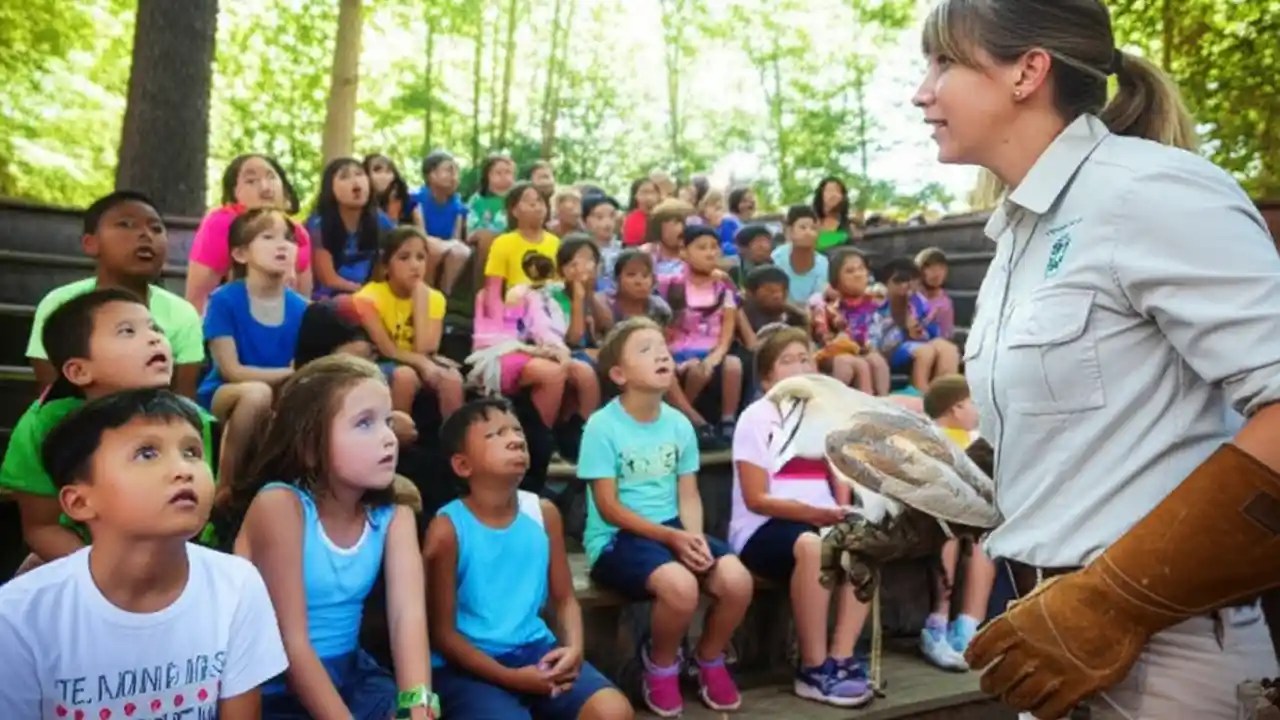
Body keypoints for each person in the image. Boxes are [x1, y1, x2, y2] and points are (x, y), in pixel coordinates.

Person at [914, 1, 1280, 718]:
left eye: (945, 62)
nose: (922, 91)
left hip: (1171, 660)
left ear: (1028, 70)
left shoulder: (1148, 191)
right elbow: (1084, 430)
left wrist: (1116, 600)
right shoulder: (1020, 228)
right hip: (1049, 638)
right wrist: (940, 497)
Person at [0, 389, 287, 719]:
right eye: (147, 453)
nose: (184, 469)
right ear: (79, 502)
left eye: (192, 452)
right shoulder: (20, 616)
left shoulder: (236, 585)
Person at [229, 355, 436, 720]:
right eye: (364, 423)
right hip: (273, 683)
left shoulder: (394, 516)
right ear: (309, 447)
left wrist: (417, 706)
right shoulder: (280, 504)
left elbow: (408, 617)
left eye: (388, 421)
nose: (388, 438)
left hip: (352, 675)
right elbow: (292, 642)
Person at [578, 318, 754, 717]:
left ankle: (707, 657)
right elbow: (608, 507)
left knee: (736, 580)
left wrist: (692, 539)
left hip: (671, 529)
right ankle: (659, 664)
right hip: (616, 537)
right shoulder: (602, 427)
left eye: (662, 346)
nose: (660, 353)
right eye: (644, 349)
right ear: (619, 374)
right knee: (680, 586)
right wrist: (673, 540)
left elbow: (688, 494)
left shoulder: (678, 424)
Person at [425, 399, 634, 719]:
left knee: (613, 711)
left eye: (517, 430)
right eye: (495, 434)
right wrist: (510, 678)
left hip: (536, 650)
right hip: (468, 666)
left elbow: (564, 600)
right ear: (463, 465)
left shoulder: (543, 513)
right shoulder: (447, 529)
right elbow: (443, 634)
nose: (516, 439)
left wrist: (574, 650)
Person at [1, 290, 223, 565]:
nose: (155, 338)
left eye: (156, 329)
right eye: (128, 331)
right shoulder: (44, 424)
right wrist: (103, 575)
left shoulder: (193, 421)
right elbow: (42, 527)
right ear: (79, 371)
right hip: (84, 557)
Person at [730, 326, 874, 708]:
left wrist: (845, 511)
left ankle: (841, 658)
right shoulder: (756, 418)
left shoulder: (820, 416)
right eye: (787, 360)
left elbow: (838, 476)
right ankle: (812, 667)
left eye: (805, 358)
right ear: (767, 378)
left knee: (865, 542)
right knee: (814, 546)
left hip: (819, 519)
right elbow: (757, 499)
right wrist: (817, 515)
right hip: (763, 528)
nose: (799, 366)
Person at [26, 190, 204, 399]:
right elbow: (52, 393)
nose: (146, 234)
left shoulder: (181, 313)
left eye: (156, 228)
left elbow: (184, 397)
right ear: (90, 244)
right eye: (126, 224)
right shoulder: (59, 303)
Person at [198, 208, 308, 489]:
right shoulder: (224, 300)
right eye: (268, 237)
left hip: (283, 394)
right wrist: (289, 373)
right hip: (226, 393)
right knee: (257, 394)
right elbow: (232, 370)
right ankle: (224, 487)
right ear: (240, 254)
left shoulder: (305, 309)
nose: (282, 244)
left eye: (288, 238)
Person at [918, 374, 995, 670]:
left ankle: (968, 628)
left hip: (973, 515)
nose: (978, 410)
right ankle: (937, 623)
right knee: (948, 530)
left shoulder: (981, 440)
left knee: (984, 540)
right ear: (955, 408)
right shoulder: (930, 435)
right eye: (972, 403)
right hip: (935, 516)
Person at [355, 226, 464, 420]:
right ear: (386, 266)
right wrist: (422, 362)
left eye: (420, 258)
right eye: (404, 258)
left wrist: (419, 299)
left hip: (420, 359)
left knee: (452, 378)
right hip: (383, 361)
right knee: (405, 376)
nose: (415, 265)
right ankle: (397, 438)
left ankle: (457, 443)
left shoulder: (434, 298)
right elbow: (387, 350)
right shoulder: (367, 297)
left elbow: (426, 347)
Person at [186, 153, 313, 312]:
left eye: (271, 177)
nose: (265, 187)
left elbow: (303, 301)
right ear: (234, 194)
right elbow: (197, 299)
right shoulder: (221, 224)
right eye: (251, 181)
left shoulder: (299, 233)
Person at [667, 225, 745, 444]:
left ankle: (727, 422)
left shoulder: (723, 286)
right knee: (696, 370)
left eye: (714, 247)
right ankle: (687, 418)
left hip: (711, 350)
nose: (710, 253)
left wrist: (715, 356)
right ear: (684, 252)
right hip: (678, 350)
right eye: (702, 248)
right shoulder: (672, 283)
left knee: (733, 365)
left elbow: (727, 330)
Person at [308, 157, 397, 299]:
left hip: (369, 295)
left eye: (360, 174)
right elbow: (328, 279)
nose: (355, 181)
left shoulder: (380, 220)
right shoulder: (319, 224)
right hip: (329, 298)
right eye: (344, 177)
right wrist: (365, 292)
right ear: (330, 188)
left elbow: (398, 249)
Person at [811, 249, 891, 396]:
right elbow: (825, 339)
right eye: (849, 271)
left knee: (876, 360)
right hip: (837, 353)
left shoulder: (877, 303)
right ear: (836, 280)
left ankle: (883, 402)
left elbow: (886, 334)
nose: (858, 274)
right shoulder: (827, 307)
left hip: (869, 351)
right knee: (853, 363)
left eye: (861, 269)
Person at [876, 257, 958, 392]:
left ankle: (944, 393)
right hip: (893, 350)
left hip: (919, 344)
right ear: (886, 283)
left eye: (908, 280)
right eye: (898, 281)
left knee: (948, 349)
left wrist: (921, 331)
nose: (905, 286)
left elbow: (933, 330)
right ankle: (920, 393)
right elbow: (881, 341)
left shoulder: (918, 301)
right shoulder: (880, 304)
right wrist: (904, 328)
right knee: (925, 351)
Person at [415, 150, 472, 295]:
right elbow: (420, 233)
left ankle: (445, 295)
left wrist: (449, 244)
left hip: (446, 244)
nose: (454, 177)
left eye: (456, 172)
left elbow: (456, 239)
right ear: (432, 175)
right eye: (449, 170)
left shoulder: (457, 205)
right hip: (423, 242)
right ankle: (423, 292)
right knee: (432, 248)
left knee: (461, 252)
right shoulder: (418, 199)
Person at [467, 154, 518, 286]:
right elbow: (472, 230)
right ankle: (481, 292)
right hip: (483, 242)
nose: (504, 176)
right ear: (487, 176)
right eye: (498, 173)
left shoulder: (518, 199)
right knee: (486, 239)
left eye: (508, 172)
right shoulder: (477, 200)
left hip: (513, 239)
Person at [738, 265, 806, 350]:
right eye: (770, 291)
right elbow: (754, 347)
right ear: (750, 293)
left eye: (782, 290)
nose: (777, 295)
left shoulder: (794, 316)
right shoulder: (739, 314)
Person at [771, 206, 830, 304]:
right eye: (803, 227)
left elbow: (818, 300)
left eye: (813, 228)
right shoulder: (777, 258)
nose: (808, 232)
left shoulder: (824, 264)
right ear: (789, 231)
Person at [581, 193, 623, 292]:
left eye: (612, 216)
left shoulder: (625, 249)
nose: (607, 222)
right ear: (585, 221)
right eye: (599, 217)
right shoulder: (580, 252)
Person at [364, 153, 420, 226]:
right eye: (377, 171)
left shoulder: (405, 198)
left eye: (388, 171)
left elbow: (421, 232)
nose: (383, 175)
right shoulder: (360, 201)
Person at [914, 247, 955, 340]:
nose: (937, 273)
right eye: (930, 268)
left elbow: (946, 336)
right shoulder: (910, 296)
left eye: (941, 268)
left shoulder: (945, 303)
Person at [812, 177, 852, 251]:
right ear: (821, 194)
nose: (834, 195)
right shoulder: (811, 220)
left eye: (838, 191)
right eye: (829, 190)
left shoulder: (849, 225)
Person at [621, 177, 660, 247]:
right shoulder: (632, 220)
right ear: (635, 196)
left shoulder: (663, 216)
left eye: (652, 192)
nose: (649, 197)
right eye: (644, 192)